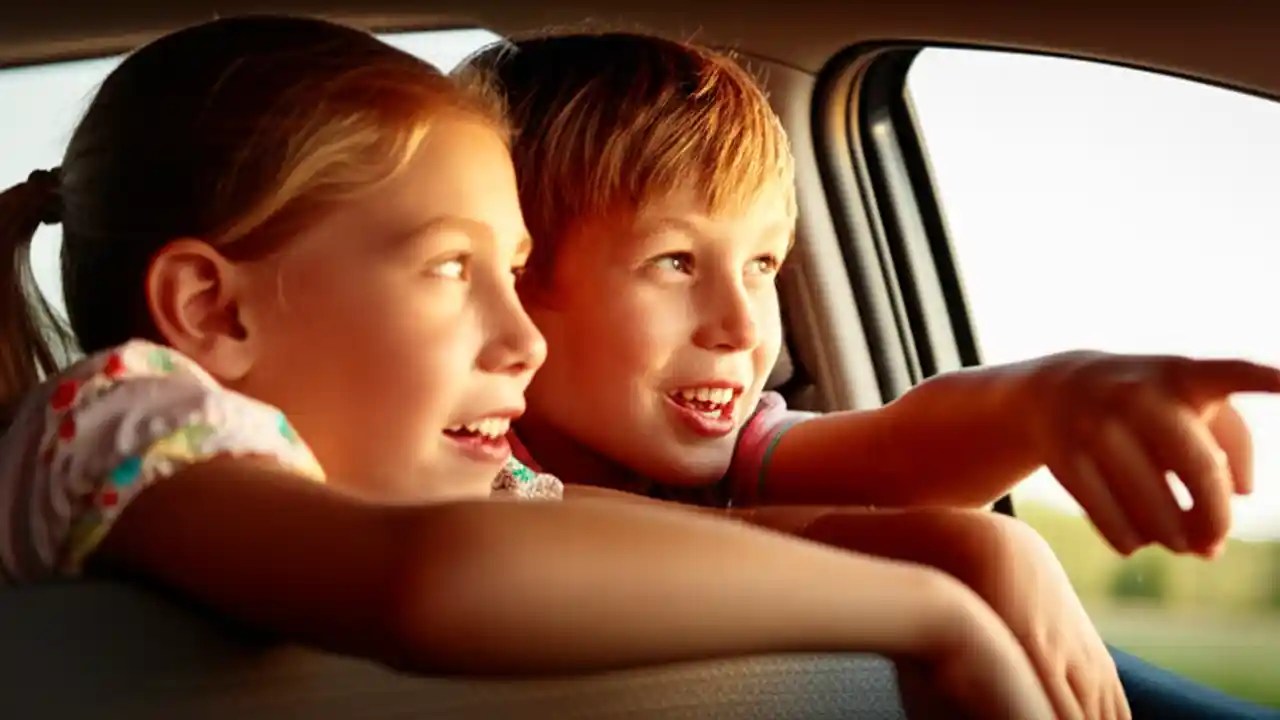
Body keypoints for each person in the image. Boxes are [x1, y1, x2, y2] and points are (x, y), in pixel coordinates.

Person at [0, 15, 1057, 719]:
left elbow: (695, 544)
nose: (525, 339)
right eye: (452, 269)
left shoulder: (438, 482)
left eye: (513, 270)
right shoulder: (119, 424)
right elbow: (430, 580)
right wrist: (927, 614)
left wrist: (964, 550)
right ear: (212, 309)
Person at [464, 32, 1280, 720]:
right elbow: (565, 527)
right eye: (675, 262)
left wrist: (1049, 399)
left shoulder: (713, 452)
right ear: (517, 276)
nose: (742, 325)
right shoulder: (470, 466)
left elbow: (894, 451)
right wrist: (954, 546)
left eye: (762, 266)